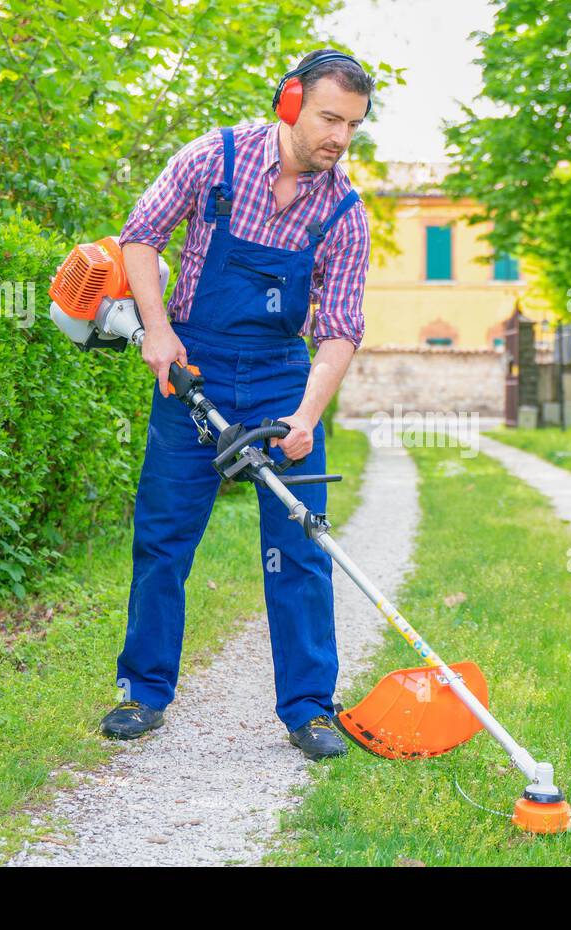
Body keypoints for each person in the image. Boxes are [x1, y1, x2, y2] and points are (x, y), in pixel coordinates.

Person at [98, 49, 373, 760]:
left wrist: (307, 417)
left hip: (283, 379)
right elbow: (139, 235)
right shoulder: (212, 159)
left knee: (299, 542)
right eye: (329, 118)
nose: (339, 138)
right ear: (290, 103)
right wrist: (157, 331)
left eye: (353, 126)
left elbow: (340, 327)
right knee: (164, 536)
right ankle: (143, 691)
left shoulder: (344, 209)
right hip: (194, 368)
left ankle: (310, 707)